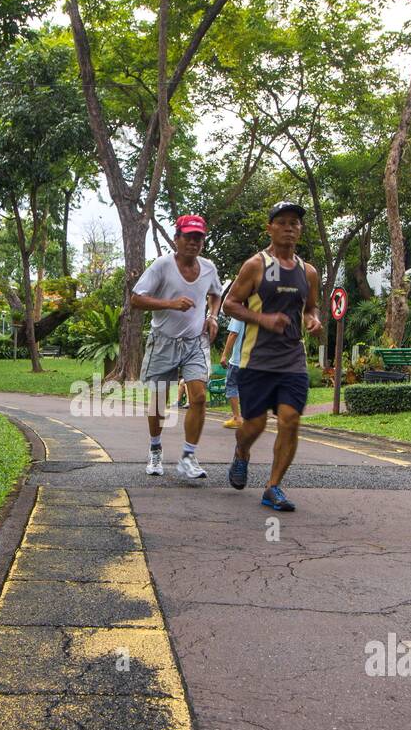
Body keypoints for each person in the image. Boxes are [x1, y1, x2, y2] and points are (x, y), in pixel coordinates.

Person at [221, 201, 323, 512]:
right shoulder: (255, 265)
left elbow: (311, 307)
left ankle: (273, 486)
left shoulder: (309, 272)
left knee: (290, 420)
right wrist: (264, 319)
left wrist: (312, 319)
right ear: (270, 228)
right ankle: (242, 452)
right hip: (256, 360)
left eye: (295, 222)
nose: (289, 227)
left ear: (300, 230)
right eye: (282, 222)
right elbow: (230, 304)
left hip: (292, 360)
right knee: (255, 424)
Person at [130, 214, 222, 478]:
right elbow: (136, 299)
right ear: (176, 239)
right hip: (163, 341)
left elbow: (216, 293)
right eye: (188, 237)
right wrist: (170, 303)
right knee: (159, 401)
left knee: (200, 397)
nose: (193, 242)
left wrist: (212, 316)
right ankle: (155, 450)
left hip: (195, 342)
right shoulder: (161, 266)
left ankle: (188, 457)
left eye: (198, 238)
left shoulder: (208, 268)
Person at [220, 317, 245, 428]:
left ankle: (237, 418)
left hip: (238, 360)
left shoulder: (239, 314)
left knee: (232, 385)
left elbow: (233, 334)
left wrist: (225, 355)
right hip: (256, 360)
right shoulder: (259, 310)